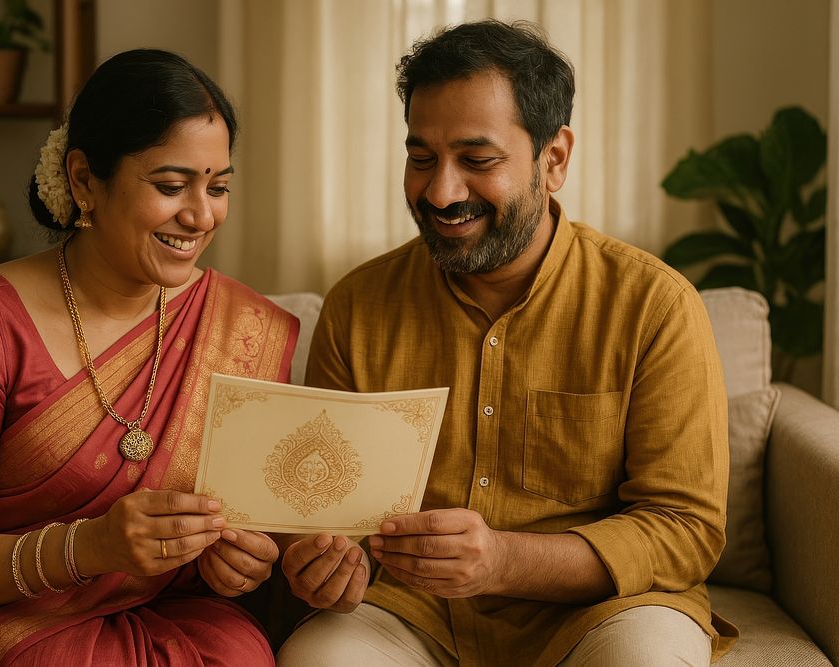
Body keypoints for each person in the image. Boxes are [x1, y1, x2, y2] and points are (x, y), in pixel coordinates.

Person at [276, 20, 734, 667]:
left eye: (477, 160)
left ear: (555, 158)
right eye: (421, 157)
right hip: (409, 609)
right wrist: (318, 559)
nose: (441, 192)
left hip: (604, 611)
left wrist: (504, 560)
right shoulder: (358, 304)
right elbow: (317, 511)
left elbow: (686, 529)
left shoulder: (654, 306)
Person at [0, 49, 298, 665]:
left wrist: (232, 561)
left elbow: (242, 532)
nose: (200, 215)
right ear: (85, 178)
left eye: (217, 187)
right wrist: (90, 548)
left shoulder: (244, 328)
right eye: (171, 186)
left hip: (156, 611)